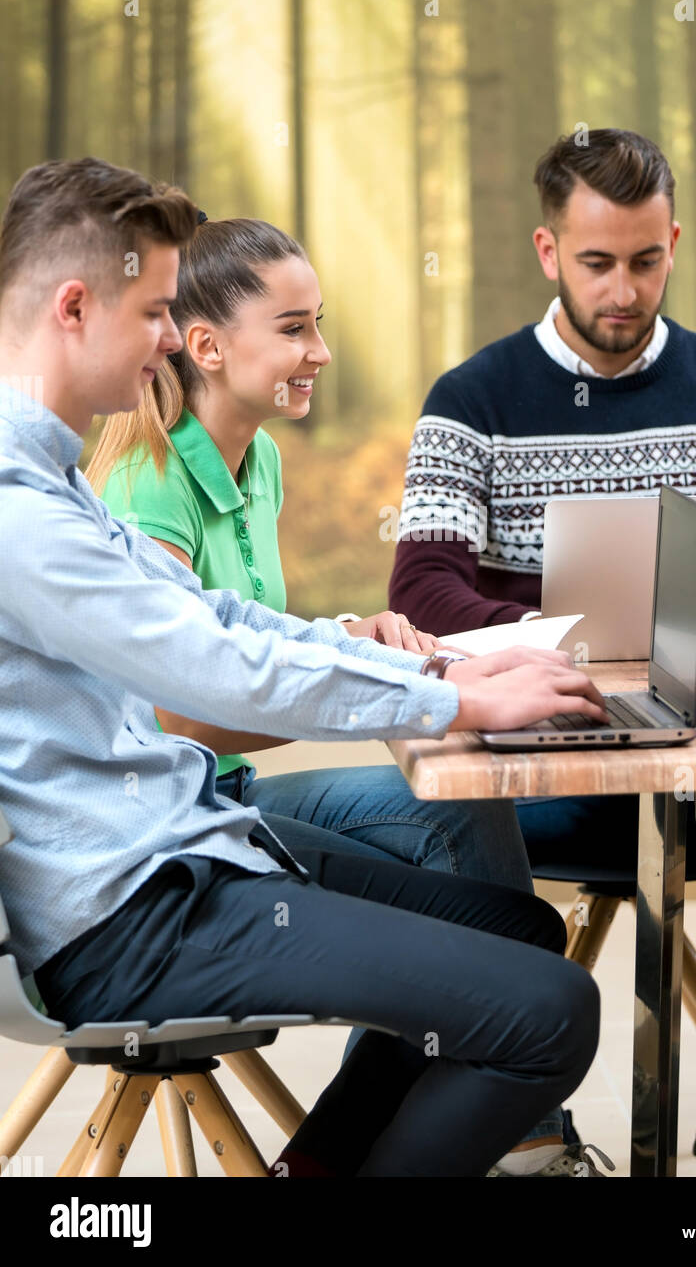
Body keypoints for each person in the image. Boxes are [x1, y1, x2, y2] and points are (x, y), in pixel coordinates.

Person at [0, 156, 611, 1177]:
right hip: (129, 916)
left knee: (517, 930)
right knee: (553, 1012)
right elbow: (208, 668)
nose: (167, 337)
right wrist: (453, 695)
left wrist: (384, 651)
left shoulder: (55, 479)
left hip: (188, 851)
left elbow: (217, 615)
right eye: (155, 309)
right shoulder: (23, 513)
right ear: (75, 305)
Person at [387, 126, 696, 1162]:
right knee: (474, 808)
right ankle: (529, 1127)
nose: (624, 289)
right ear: (548, 251)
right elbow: (423, 588)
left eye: (647, 261)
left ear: (676, 243)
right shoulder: (471, 401)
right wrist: (562, 636)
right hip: (556, 782)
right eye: (597, 262)